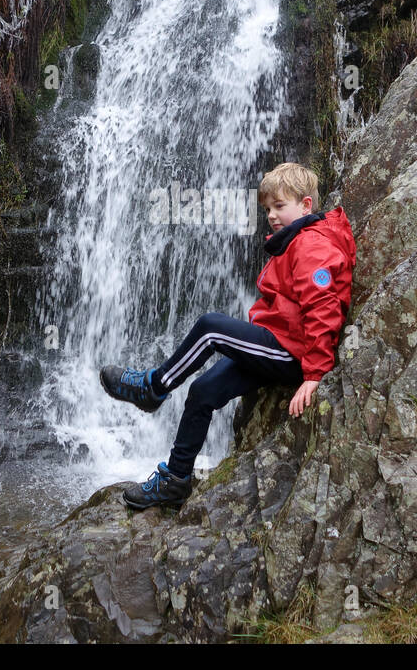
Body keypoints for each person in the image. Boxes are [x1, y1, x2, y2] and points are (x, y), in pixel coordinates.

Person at [100, 162, 357, 509]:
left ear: (306, 205)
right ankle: (176, 479)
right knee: (203, 390)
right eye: (268, 208)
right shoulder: (295, 241)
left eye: (280, 206)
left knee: (211, 328)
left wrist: (314, 375)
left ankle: (153, 387)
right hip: (277, 341)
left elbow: (323, 307)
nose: (272, 215)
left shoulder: (312, 245)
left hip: (293, 353)